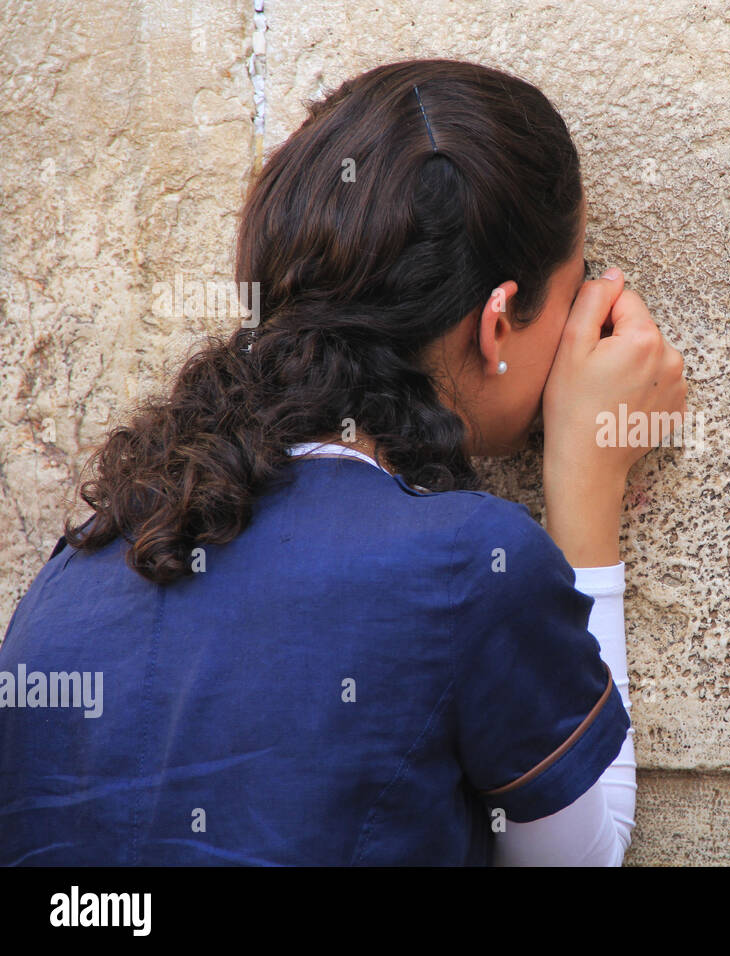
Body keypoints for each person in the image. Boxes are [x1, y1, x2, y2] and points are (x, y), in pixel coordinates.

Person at [0, 58, 686, 866]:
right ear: (497, 325)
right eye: (571, 300)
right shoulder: (470, 565)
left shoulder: (74, 571)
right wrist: (586, 486)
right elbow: (577, 857)